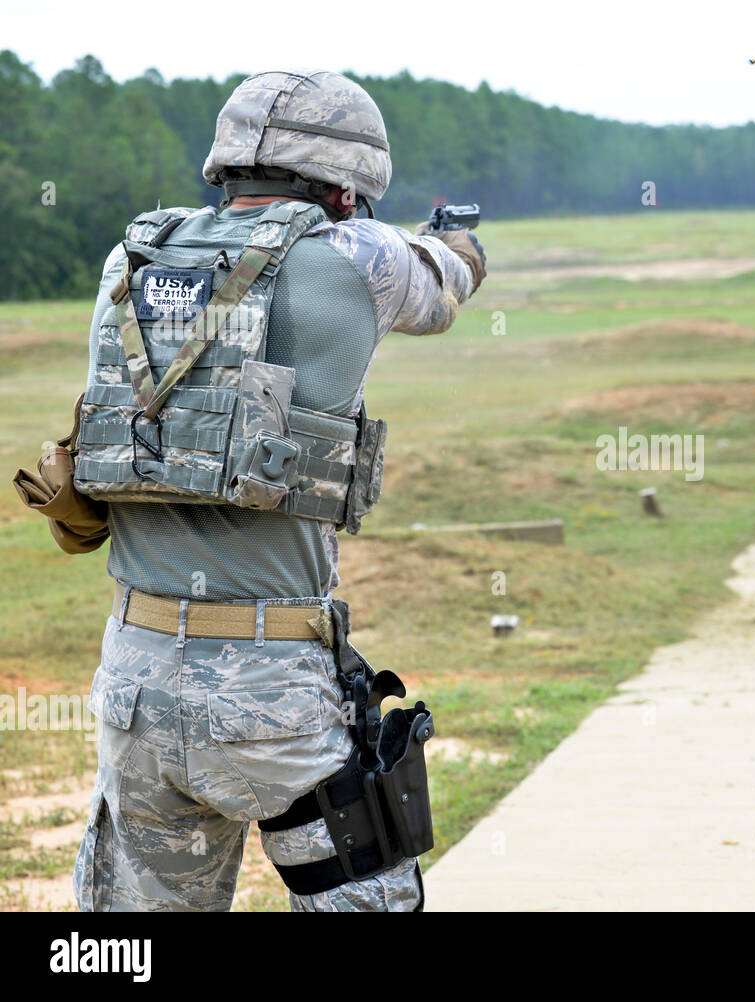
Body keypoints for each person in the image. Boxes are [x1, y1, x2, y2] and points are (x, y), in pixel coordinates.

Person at [71, 69, 485, 912]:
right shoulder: (359, 255)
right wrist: (457, 244)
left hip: (133, 677)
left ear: (225, 166)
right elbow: (445, 284)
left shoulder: (133, 257)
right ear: (348, 186)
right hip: (271, 699)